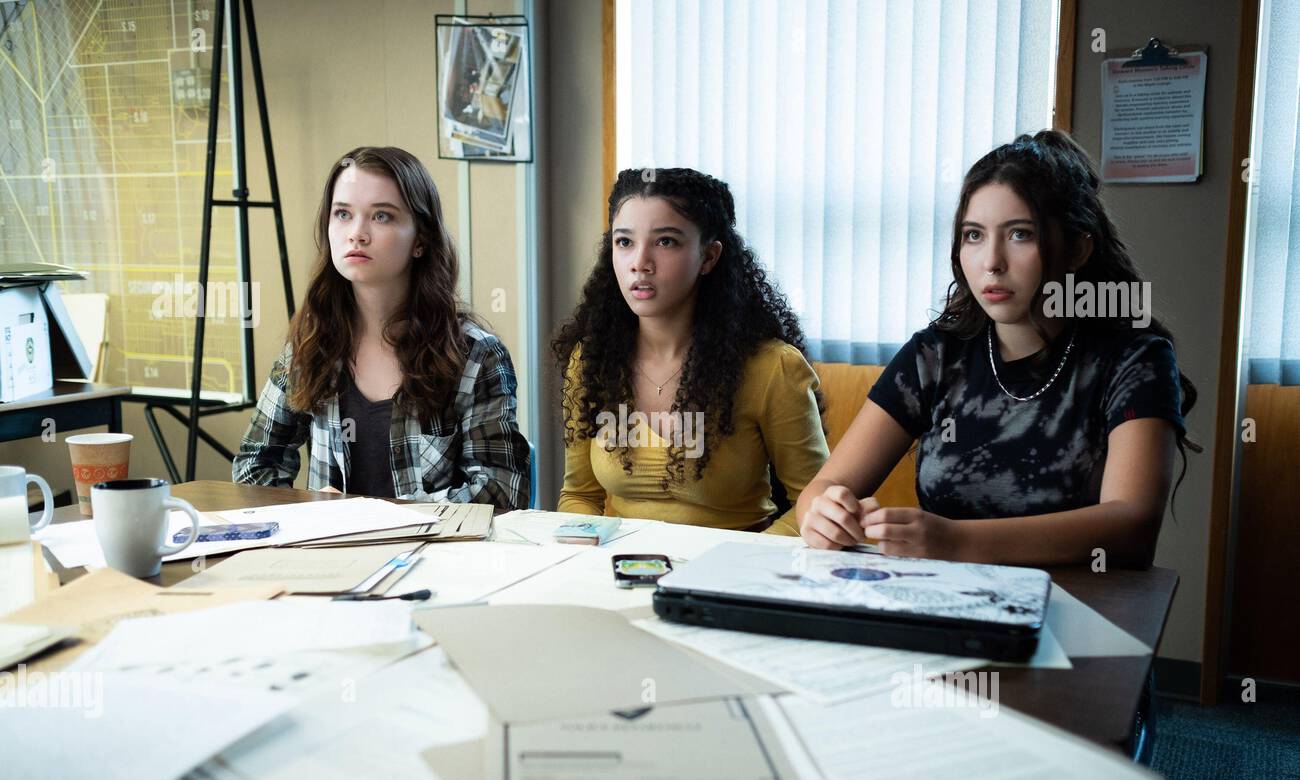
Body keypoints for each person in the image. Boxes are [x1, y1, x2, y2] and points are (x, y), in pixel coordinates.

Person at [797, 130, 1199, 566]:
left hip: (1081, 610)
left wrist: (956, 541)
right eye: (973, 235)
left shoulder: (1134, 358)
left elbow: (1131, 525)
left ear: (1077, 249)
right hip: (947, 607)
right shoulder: (935, 356)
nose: (991, 261)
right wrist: (822, 512)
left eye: (1020, 234)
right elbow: (822, 489)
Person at [233, 146, 530, 507]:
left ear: (420, 239)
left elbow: (501, 492)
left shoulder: (476, 355)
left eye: (382, 217)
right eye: (342, 214)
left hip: (436, 559)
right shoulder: (310, 344)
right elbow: (254, 465)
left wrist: (377, 515)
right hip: (330, 558)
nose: (357, 234)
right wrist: (306, 506)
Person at [553, 167, 828, 534]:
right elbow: (579, 496)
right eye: (624, 242)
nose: (640, 262)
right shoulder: (590, 361)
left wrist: (741, 565)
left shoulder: (773, 367)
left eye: (666, 241)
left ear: (709, 257)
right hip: (620, 574)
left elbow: (815, 505)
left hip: (728, 579)